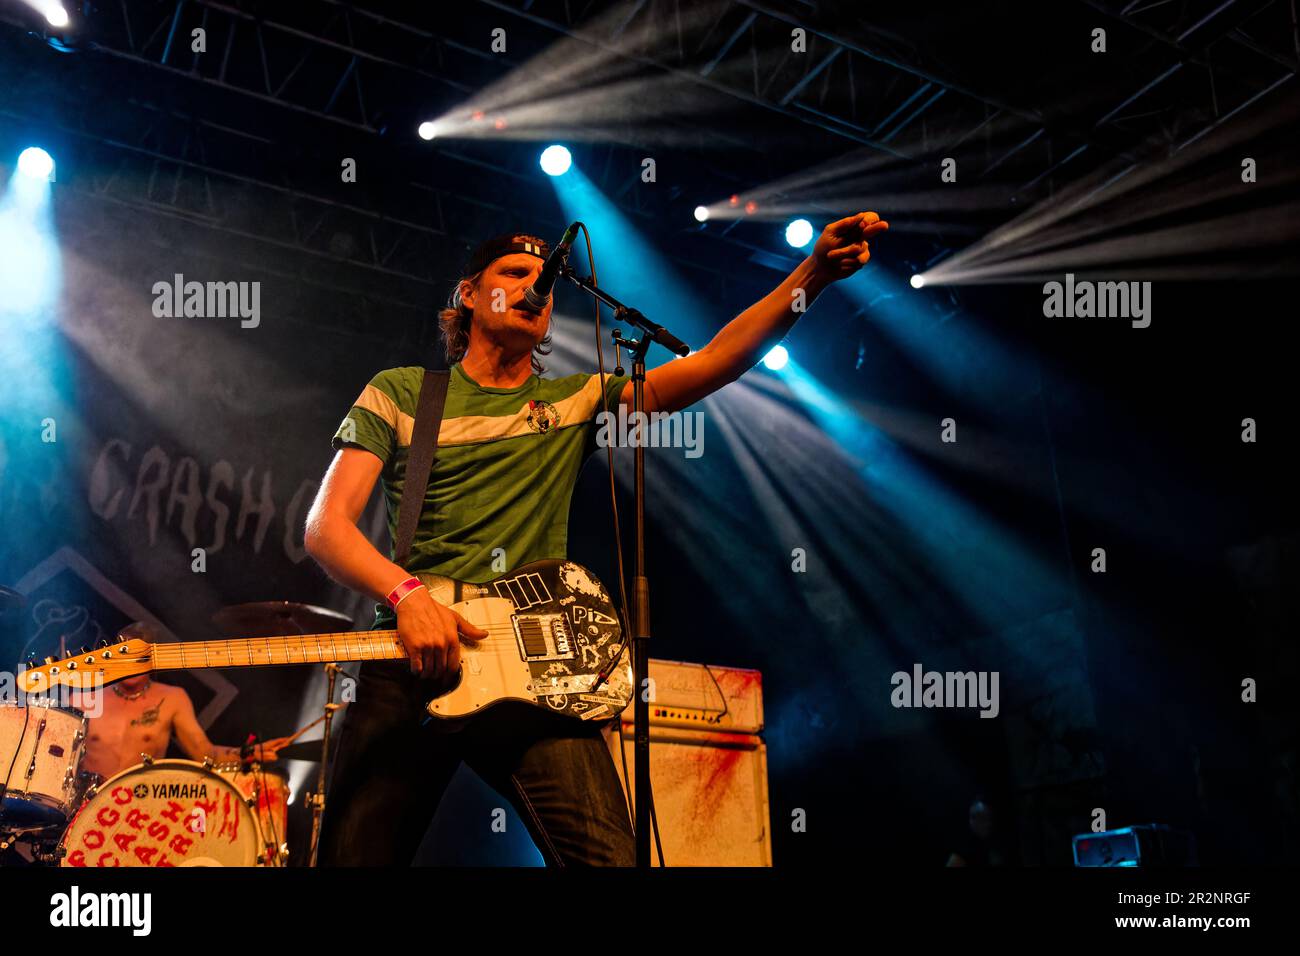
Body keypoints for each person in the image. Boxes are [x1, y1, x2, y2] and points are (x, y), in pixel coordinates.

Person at [306, 213, 888, 866]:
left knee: (611, 859)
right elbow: (325, 527)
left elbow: (718, 362)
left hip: (531, 668)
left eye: (545, 284)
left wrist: (812, 274)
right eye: (514, 274)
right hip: (411, 656)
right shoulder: (403, 392)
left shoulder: (574, 398)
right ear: (467, 295)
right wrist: (406, 594)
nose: (535, 288)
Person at [72, 672, 288, 780]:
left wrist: (247, 753)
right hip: (86, 806)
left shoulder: (172, 698)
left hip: (140, 808)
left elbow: (205, 753)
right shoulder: (84, 699)